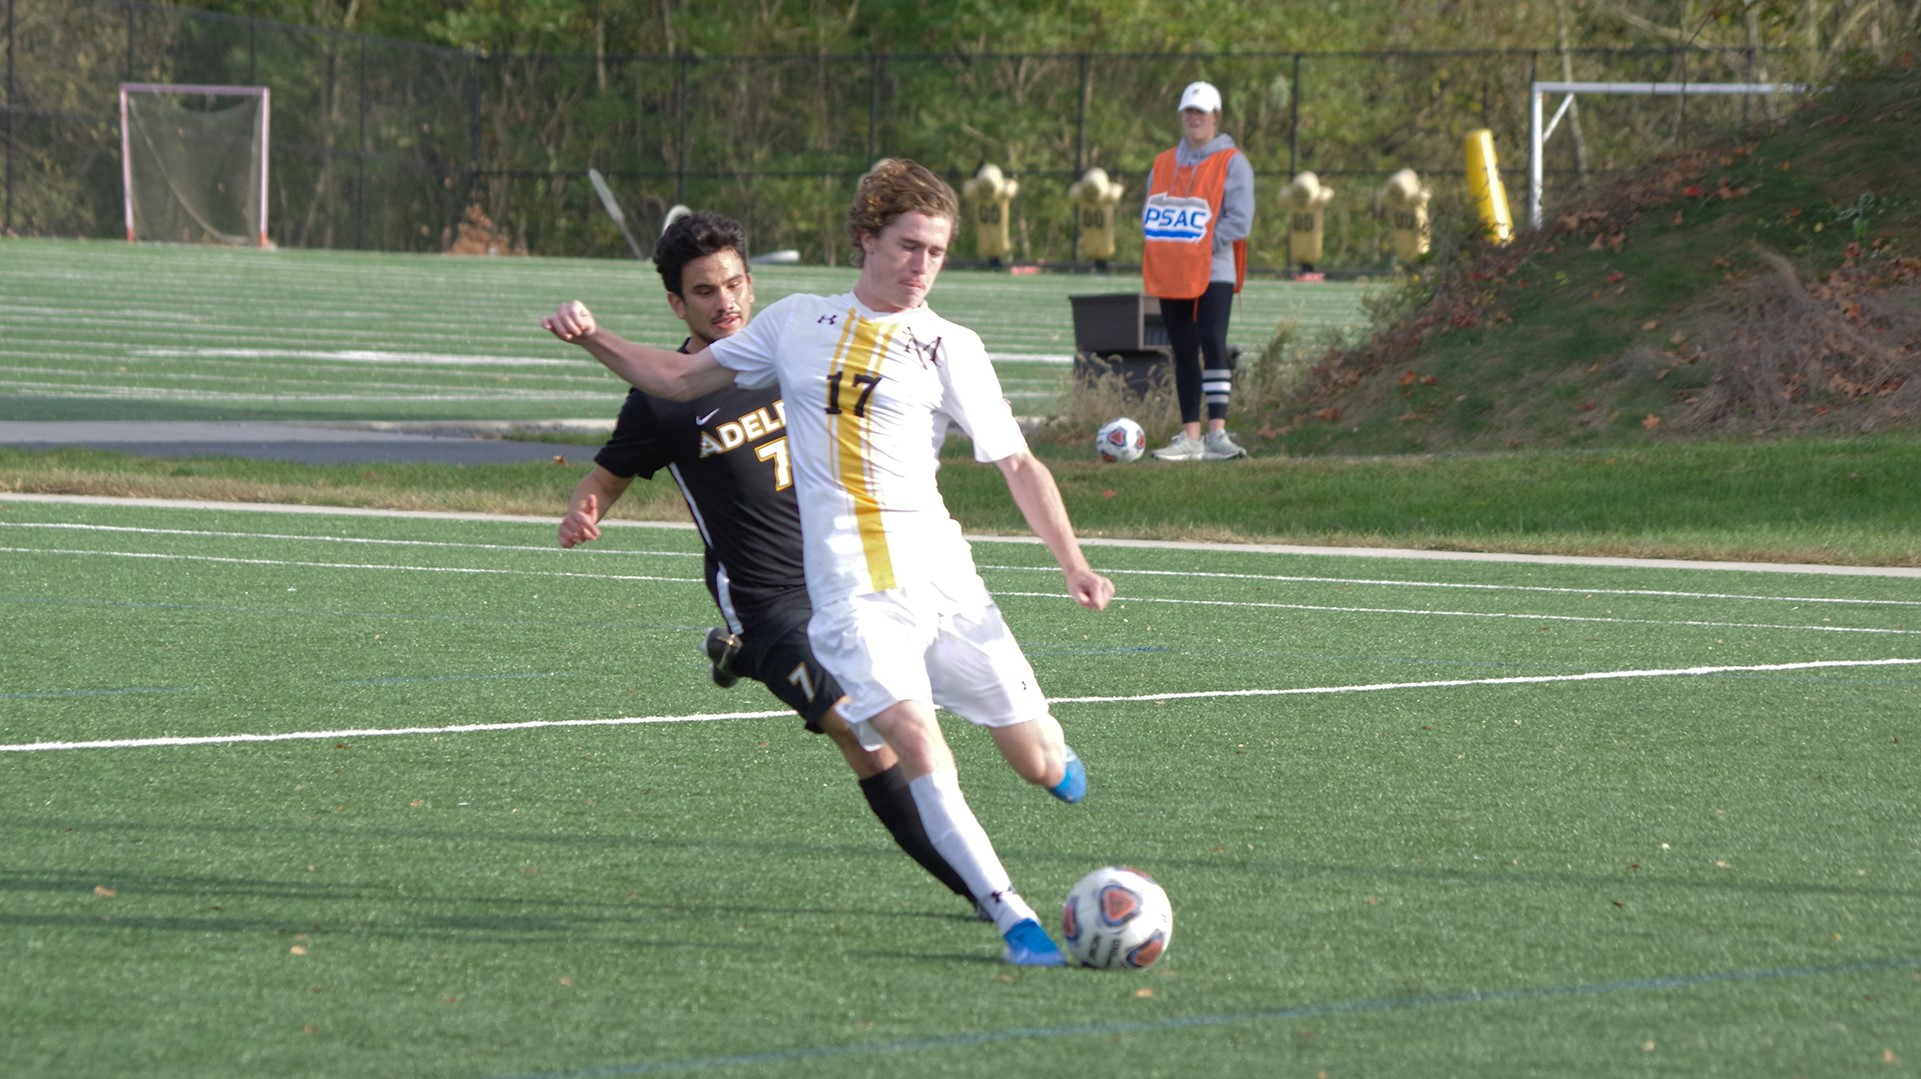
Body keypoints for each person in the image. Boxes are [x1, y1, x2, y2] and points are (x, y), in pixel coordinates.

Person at [543, 160, 1116, 967]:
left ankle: (1048, 759)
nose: (921, 266)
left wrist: (1073, 563)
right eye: (908, 246)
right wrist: (590, 335)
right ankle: (1008, 910)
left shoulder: (951, 346)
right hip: (845, 592)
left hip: (943, 578)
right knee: (910, 740)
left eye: (937, 252)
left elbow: (1018, 464)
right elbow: (672, 375)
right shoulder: (795, 324)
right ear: (865, 240)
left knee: (1035, 759)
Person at [554, 209, 978, 916]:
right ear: (676, 302)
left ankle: (742, 657)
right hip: (768, 598)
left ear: (750, 283)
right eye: (703, 291)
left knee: (918, 717)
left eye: (732, 284)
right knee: (856, 728)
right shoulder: (663, 397)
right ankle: (976, 889)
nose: (724, 302)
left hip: (849, 576)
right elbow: (604, 477)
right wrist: (583, 509)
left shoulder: (800, 354)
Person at [1141, 79, 1255, 462]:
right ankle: (1190, 436)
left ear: (1215, 117)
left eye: (1201, 113)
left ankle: (1217, 435)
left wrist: (1200, 248)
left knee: (1213, 343)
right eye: (1189, 112)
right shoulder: (1162, 162)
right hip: (1172, 273)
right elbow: (1151, 213)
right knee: (1183, 350)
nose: (1194, 119)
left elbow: (1239, 221)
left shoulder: (1233, 162)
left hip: (1214, 272)